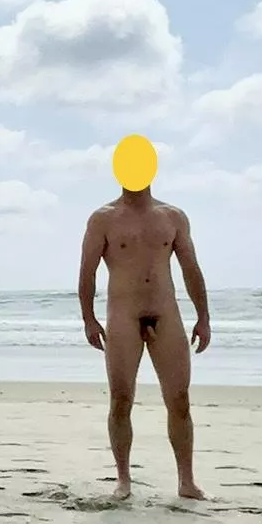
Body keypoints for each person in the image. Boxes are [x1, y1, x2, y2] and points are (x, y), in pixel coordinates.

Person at [78, 176, 210, 500]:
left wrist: (203, 317)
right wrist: (89, 319)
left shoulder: (173, 217)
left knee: (179, 400)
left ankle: (187, 482)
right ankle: (123, 480)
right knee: (121, 400)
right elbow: (87, 271)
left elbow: (190, 268)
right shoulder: (103, 218)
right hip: (123, 316)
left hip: (166, 314)